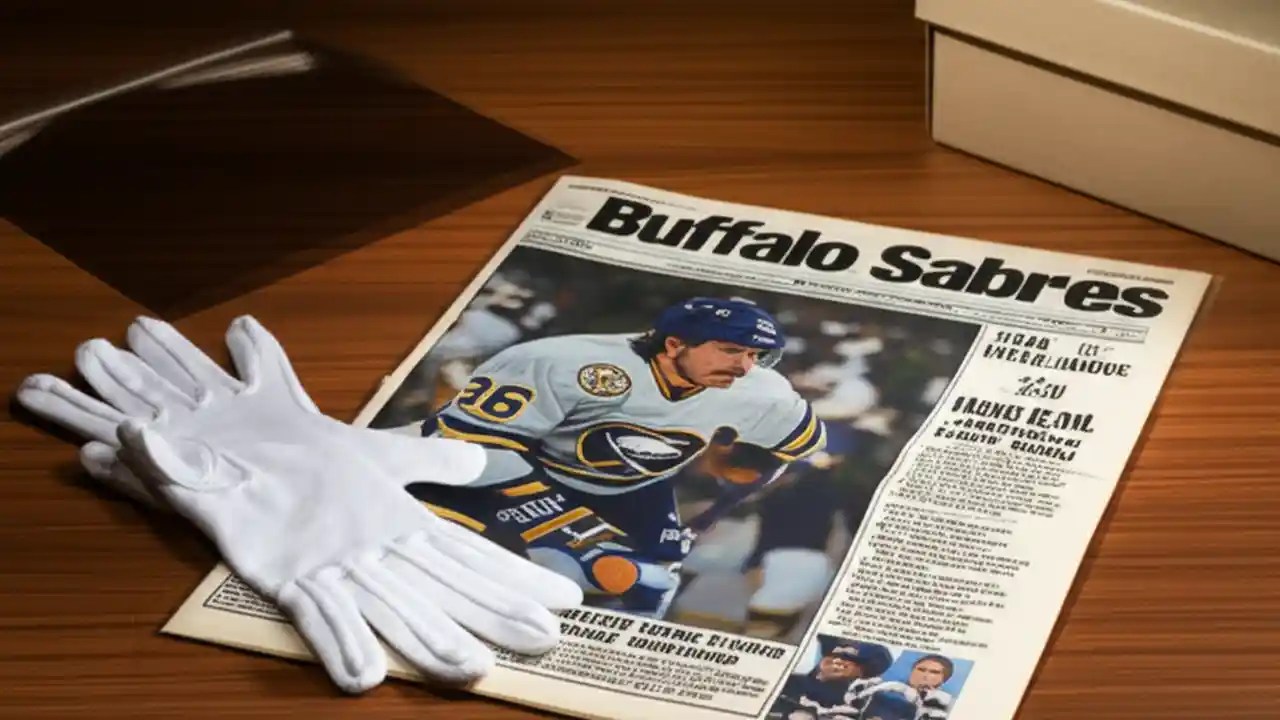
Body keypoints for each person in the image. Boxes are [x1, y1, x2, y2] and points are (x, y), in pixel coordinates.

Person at [405, 297, 826, 616]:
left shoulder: (763, 393)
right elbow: (465, 443)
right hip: (528, 472)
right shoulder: (557, 361)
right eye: (731, 350)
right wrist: (564, 525)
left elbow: (787, 449)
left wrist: (715, 507)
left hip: (634, 487)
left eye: (755, 356)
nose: (745, 368)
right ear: (674, 344)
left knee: (650, 588)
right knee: (454, 548)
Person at [771, 640, 894, 718]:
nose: (837, 661)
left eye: (847, 661)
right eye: (834, 654)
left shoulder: (858, 704)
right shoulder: (787, 680)